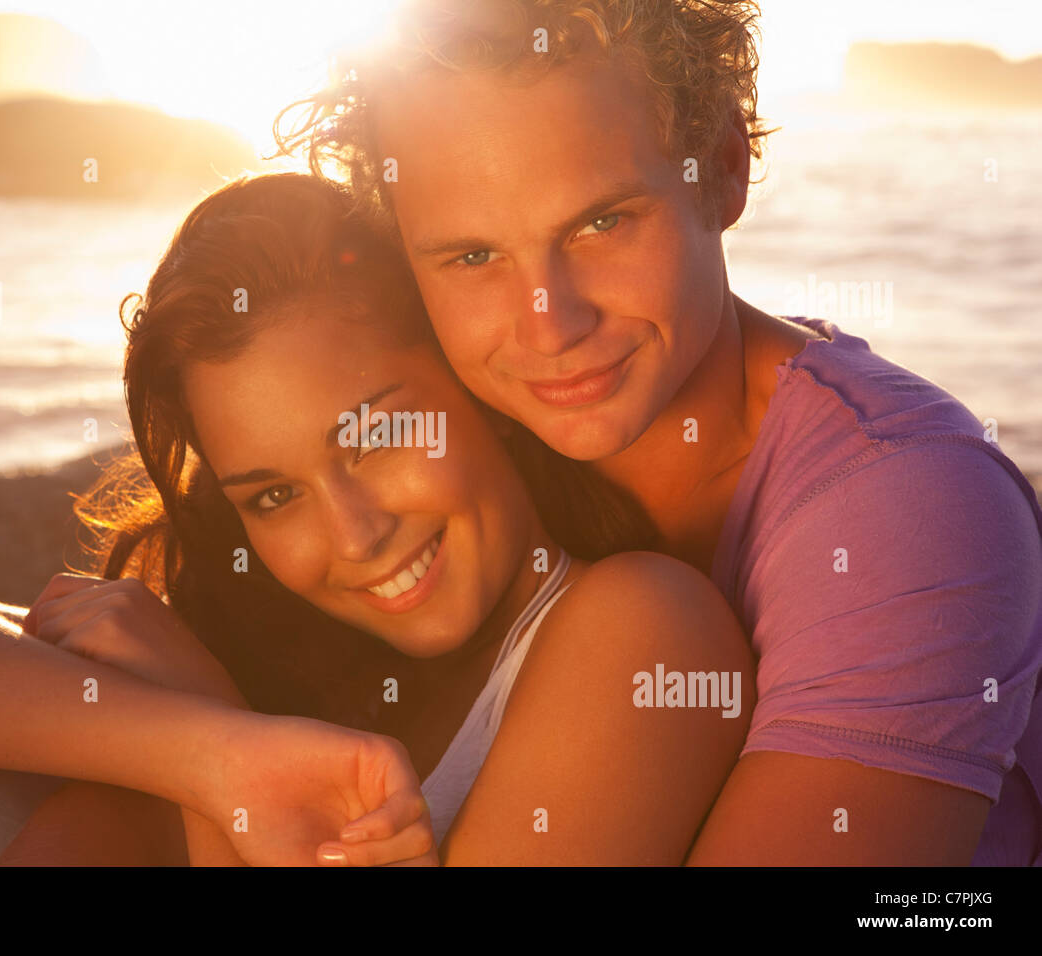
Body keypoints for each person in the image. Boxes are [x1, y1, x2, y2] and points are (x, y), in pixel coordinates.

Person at [0, 172, 752, 866]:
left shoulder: (642, 629)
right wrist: (212, 747)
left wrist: (214, 757)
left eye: (373, 435)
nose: (352, 533)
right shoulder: (233, 642)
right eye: (273, 494)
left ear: (474, 379)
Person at [268, 0, 1042, 864]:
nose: (549, 326)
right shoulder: (449, 454)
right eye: (474, 257)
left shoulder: (906, 510)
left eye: (602, 223)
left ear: (721, 171)